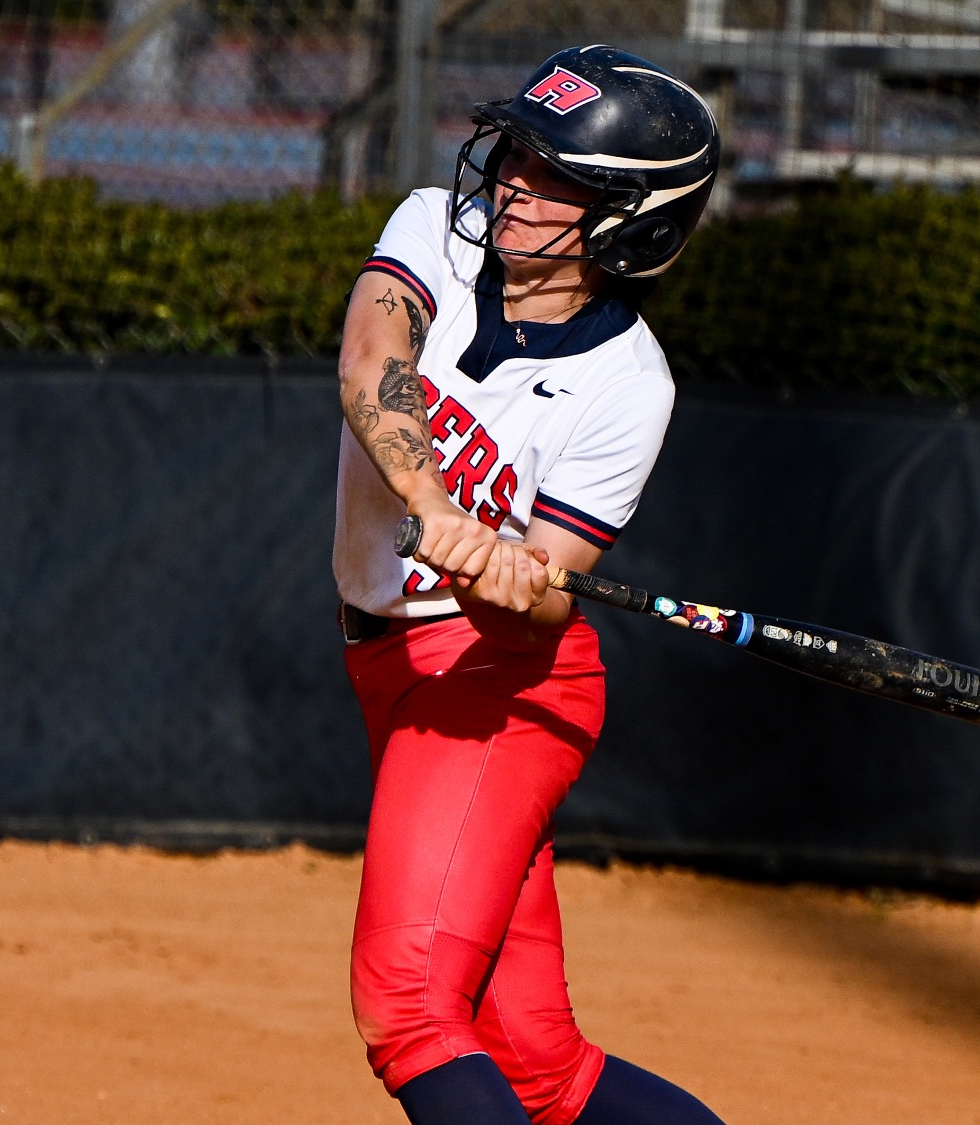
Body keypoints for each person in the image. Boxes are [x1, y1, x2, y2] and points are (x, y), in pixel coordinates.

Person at [331, 45, 729, 1125]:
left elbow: (541, 615)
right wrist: (438, 508)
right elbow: (371, 358)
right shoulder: (437, 231)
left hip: (499, 689)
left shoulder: (627, 387)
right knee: (534, 1064)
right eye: (518, 153)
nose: (514, 181)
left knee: (411, 1007)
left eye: (558, 177)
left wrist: (500, 586)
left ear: (632, 225)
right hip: (389, 665)